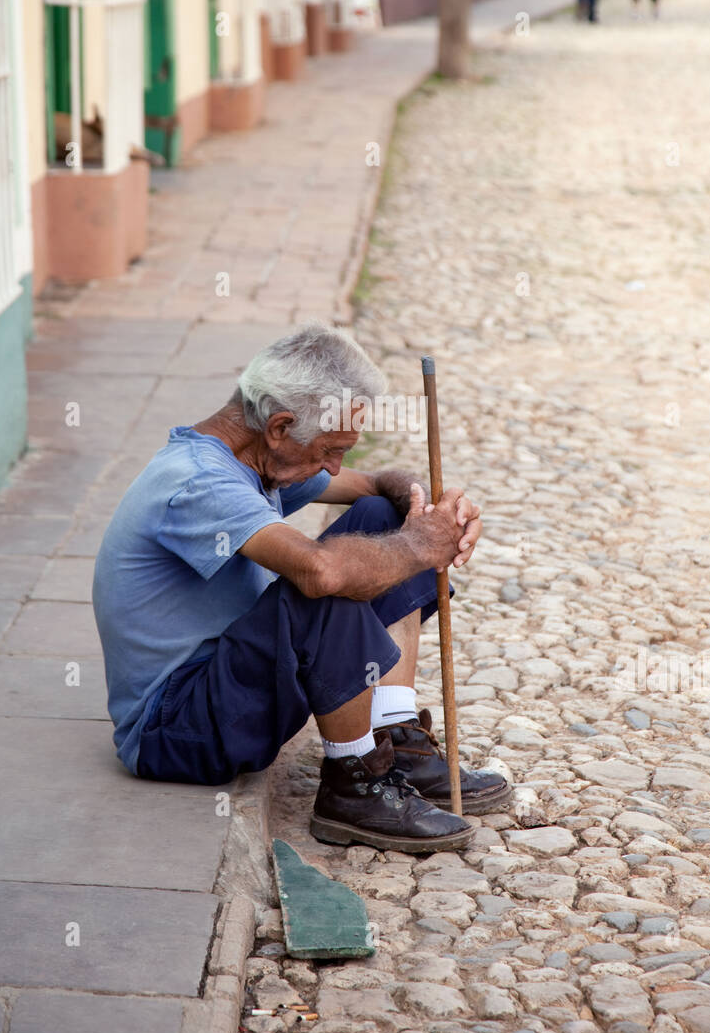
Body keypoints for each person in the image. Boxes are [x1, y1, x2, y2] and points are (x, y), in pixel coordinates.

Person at [92, 324, 509, 855]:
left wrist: (422, 503)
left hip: (218, 692)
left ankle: (394, 733)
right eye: (330, 449)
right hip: (174, 733)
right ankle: (353, 782)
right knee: (328, 580)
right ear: (280, 426)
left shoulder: (258, 459)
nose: (334, 465)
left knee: (386, 518)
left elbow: (371, 485)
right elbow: (319, 573)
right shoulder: (198, 482)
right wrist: (422, 544)